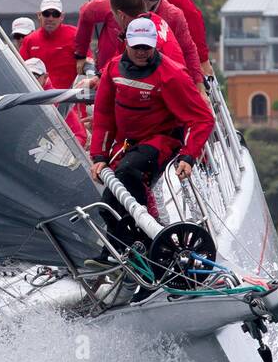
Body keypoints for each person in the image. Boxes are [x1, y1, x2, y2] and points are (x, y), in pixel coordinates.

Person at [89, 17, 215, 256]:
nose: (141, 52)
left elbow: (203, 119)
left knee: (127, 173)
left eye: (146, 47)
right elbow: (104, 115)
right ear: (126, 42)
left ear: (155, 44)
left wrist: (188, 157)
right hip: (128, 146)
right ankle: (126, 254)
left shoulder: (171, 75)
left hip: (161, 142)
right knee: (107, 206)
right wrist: (99, 156)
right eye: (136, 46)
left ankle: (153, 250)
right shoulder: (113, 69)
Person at [135, 0, 203, 90]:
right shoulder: (125, 8)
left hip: (167, 81)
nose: (145, 2)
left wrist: (200, 88)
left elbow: (189, 51)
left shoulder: (174, 15)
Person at [107, 0, 189, 75]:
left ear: (121, 15)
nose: (114, 19)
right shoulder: (153, 19)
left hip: (170, 82)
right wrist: (99, 76)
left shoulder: (142, 37)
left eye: (114, 15)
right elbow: (120, 59)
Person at [18, 0, 79, 90]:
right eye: (46, 14)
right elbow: (19, 70)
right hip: (39, 99)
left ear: (62, 16)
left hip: (69, 99)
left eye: (55, 14)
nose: (50, 18)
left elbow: (88, 65)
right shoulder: (29, 40)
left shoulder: (75, 35)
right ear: (39, 15)